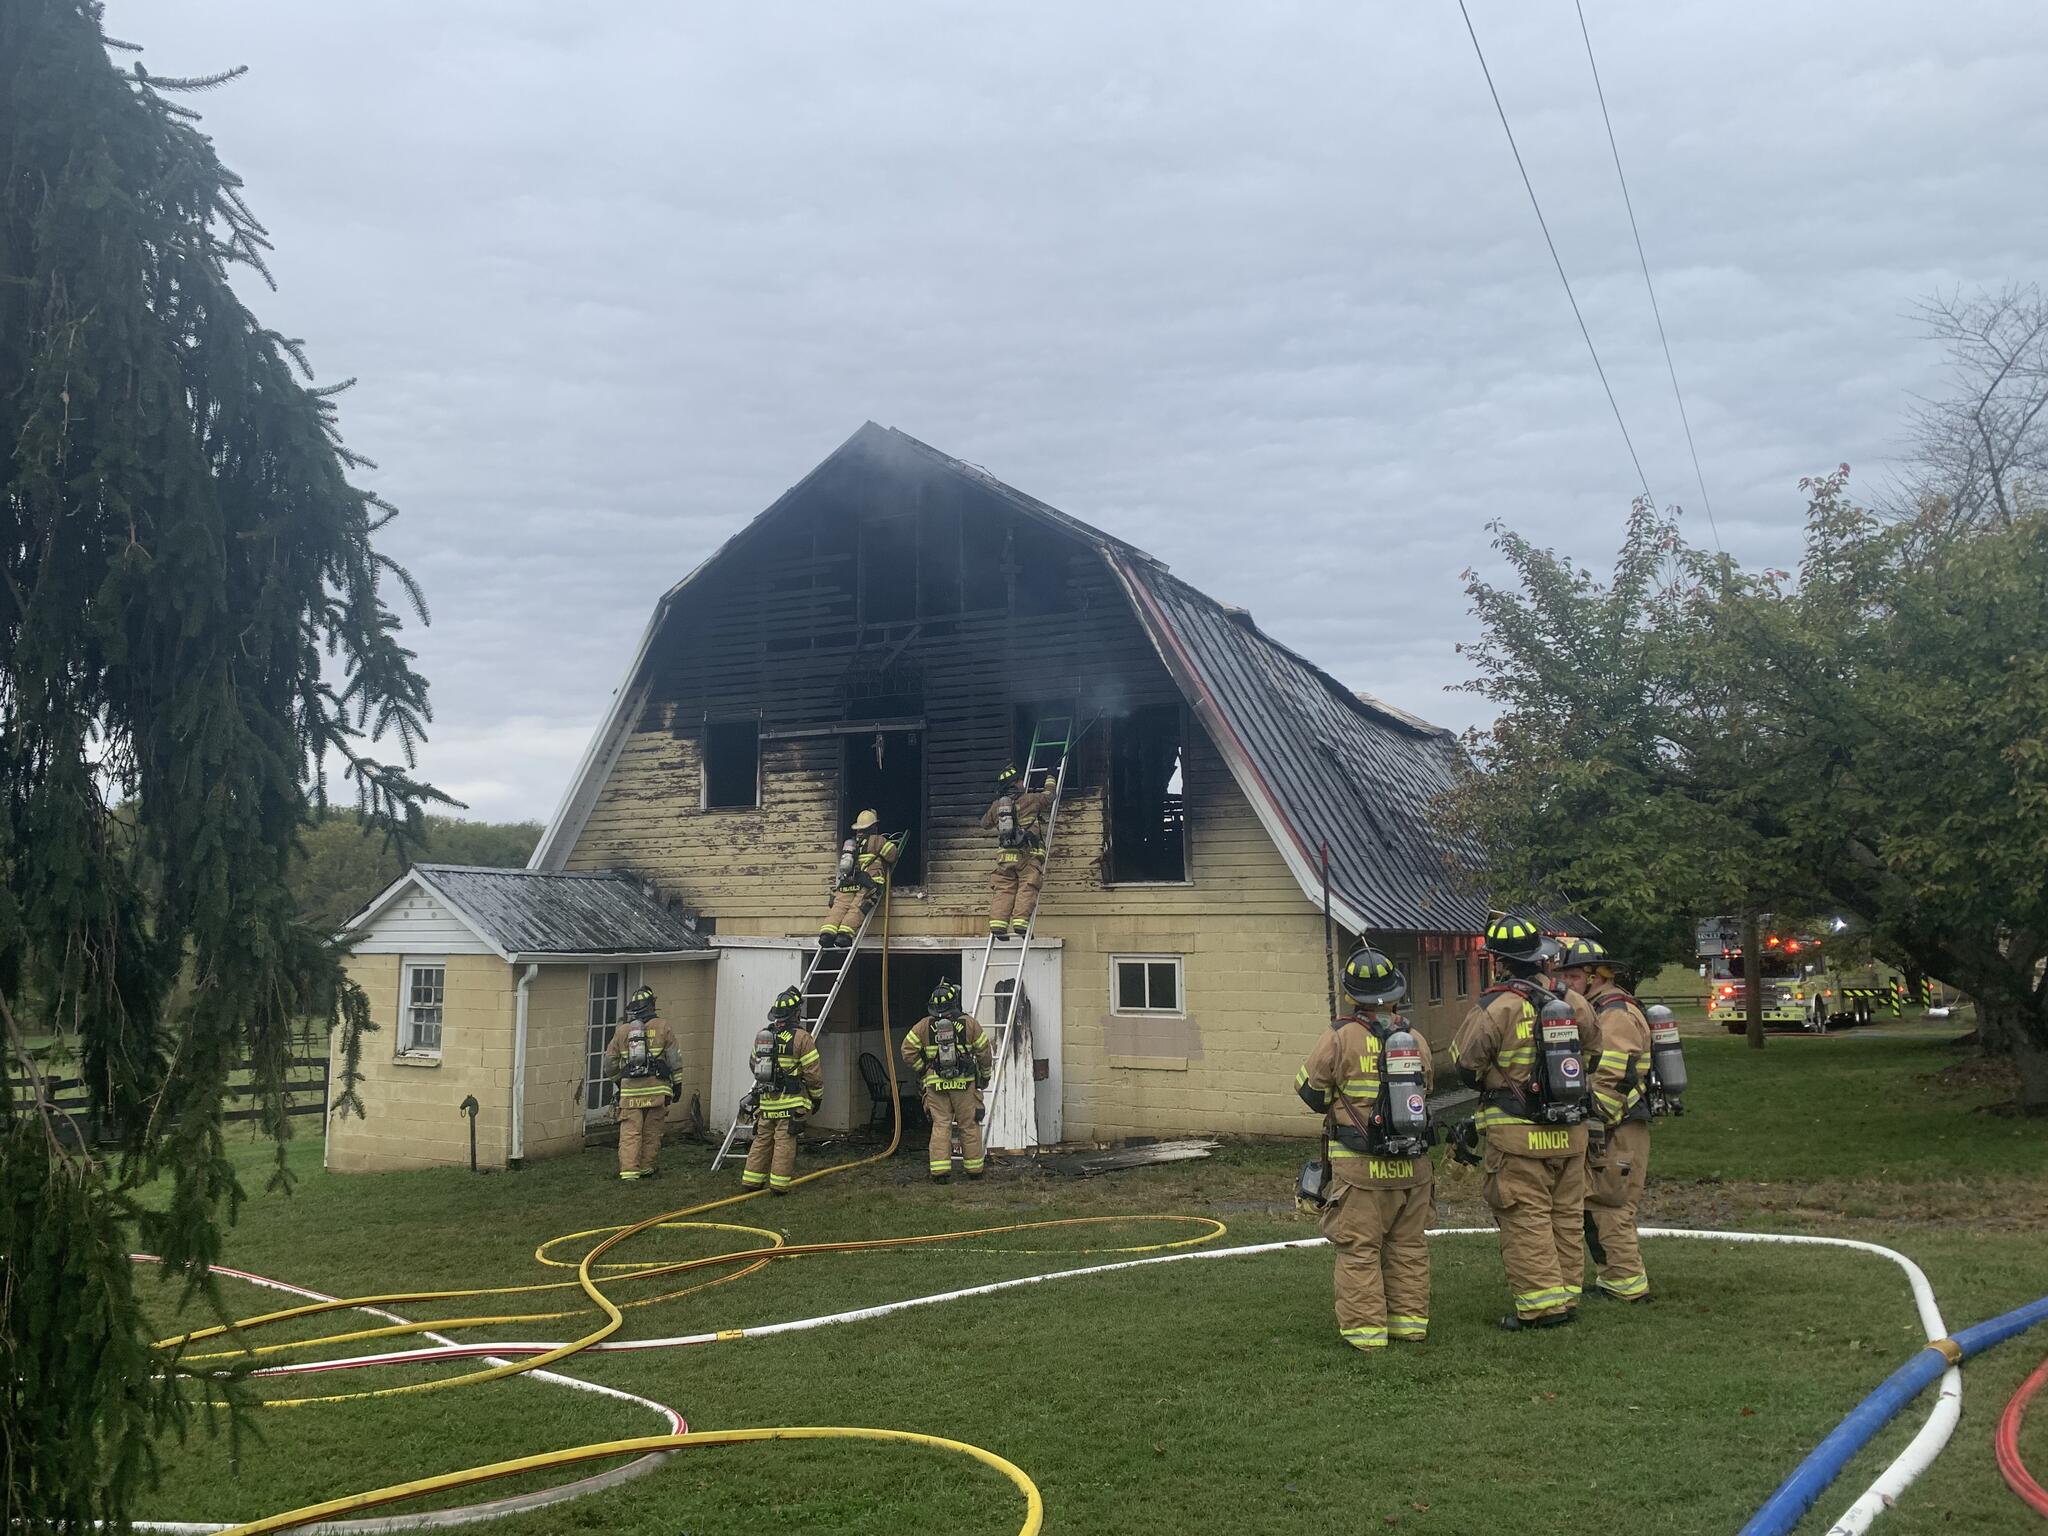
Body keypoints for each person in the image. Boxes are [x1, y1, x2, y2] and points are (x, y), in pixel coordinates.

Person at [1450, 916, 1595, 1331]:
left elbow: (1465, 1065)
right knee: (1566, 1215)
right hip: (1571, 1131)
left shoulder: (1497, 1006)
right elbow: (1594, 1050)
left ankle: (1542, 1307)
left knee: (1526, 1216)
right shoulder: (1573, 1001)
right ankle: (1566, 1296)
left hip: (1518, 1135)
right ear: (1540, 957)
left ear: (1498, 961)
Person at [1294, 946, 1436, 1351]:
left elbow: (1311, 1093)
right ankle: (1409, 1325)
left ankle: (1366, 1334)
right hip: (1412, 1167)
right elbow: (1426, 1090)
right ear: (1395, 992)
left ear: (1350, 994)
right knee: (1408, 1247)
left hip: (1360, 1170)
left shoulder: (1340, 1037)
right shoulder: (1416, 1039)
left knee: (1359, 1250)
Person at [1558, 937, 1654, 1303]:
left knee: (1611, 1203)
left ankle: (1627, 1284)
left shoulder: (1614, 1013)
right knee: (1597, 1202)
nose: (1566, 984)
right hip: (1611, 1123)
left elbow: (1612, 1073)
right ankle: (1614, 1278)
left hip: (1618, 1124)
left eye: (1572, 976)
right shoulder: (1597, 1008)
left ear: (1595, 976)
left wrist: (1596, 1119)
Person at [902, 979, 993, 1182]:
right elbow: (984, 1053)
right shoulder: (969, 1023)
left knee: (941, 1125)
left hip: (936, 1085)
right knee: (968, 1125)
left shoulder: (923, 1026)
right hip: (964, 1085)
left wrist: (923, 1069)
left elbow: (907, 1051)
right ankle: (974, 1171)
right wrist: (985, 1076)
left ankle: (940, 1173)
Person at [740, 985, 824, 1194]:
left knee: (762, 1140)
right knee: (784, 1142)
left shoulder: (764, 1036)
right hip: (791, 1103)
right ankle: (778, 1186)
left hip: (767, 1101)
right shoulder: (802, 1038)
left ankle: (751, 1181)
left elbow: (753, 1065)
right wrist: (817, 1097)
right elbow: (813, 1074)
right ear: (796, 1013)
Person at [607, 986, 678, 1181]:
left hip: (630, 1092)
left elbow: (609, 1064)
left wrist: (619, 1082)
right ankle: (646, 1167)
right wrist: (678, 1084)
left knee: (630, 1132)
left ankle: (629, 1172)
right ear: (652, 1005)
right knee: (652, 1131)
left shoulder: (622, 1031)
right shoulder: (663, 1027)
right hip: (657, 1089)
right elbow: (674, 1060)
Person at [980, 764, 1051, 940]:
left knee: (1003, 889)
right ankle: (1020, 924)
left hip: (1005, 857)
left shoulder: (997, 806)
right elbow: (1050, 796)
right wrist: (1051, 777)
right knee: (1027, 886)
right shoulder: (1031, 799)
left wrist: (998, 808)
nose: (1023, 783)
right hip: (1028, 855)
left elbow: (984, 823)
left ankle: (998, 926)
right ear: (1016, 784)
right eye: (1020, 780)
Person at [819, 809, 901, 951]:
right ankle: (844, 935)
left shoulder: (851, 844)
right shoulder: (878, 841)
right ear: (873, 827)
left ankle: (827, 934)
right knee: (858, 906)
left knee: (839, 906)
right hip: (869, 882)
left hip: (848, 882)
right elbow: (892, 855)